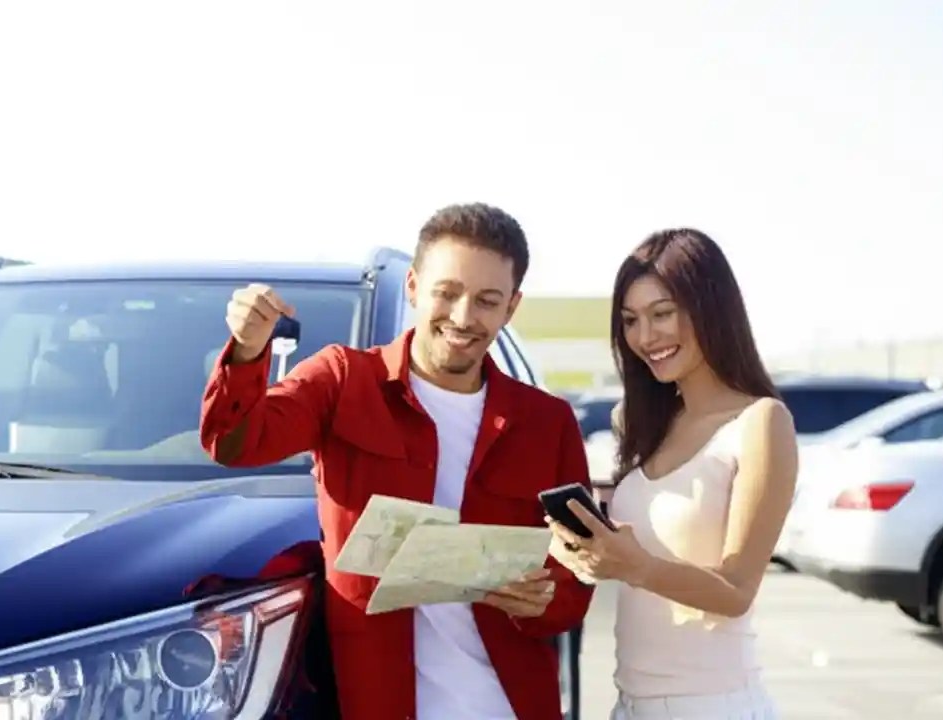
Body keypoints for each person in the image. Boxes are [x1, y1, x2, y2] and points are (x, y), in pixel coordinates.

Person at [199, 202, 594, 720]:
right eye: (446, 293)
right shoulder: (342, 382)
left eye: (486, 301)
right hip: (381, 701)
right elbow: (233, 442)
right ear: (413, 286)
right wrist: (249, 351)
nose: (462, 317)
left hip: (510, 704)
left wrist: (544, 598)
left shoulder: (548, 423)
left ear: (511, 308)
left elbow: (578, 576)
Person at [546, 228, 797, 719]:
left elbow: (737, 591)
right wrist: (583, 552)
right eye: (631, 321)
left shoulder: (761, 423)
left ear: (710, 308)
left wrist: (634, 565)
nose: (645, 337)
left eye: (662, 314)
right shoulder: (640, 421)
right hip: (629, 704)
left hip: (712, 706)